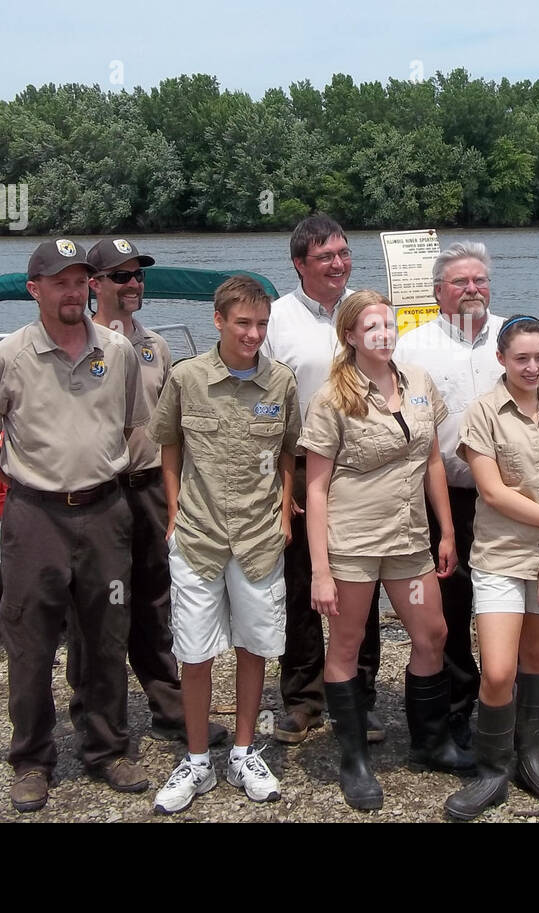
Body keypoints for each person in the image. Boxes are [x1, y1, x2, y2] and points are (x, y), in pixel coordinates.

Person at [0, 238, 149, 812]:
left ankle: (106, 748)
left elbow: (132, 426)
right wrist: (28, 478)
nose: (73, 291)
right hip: (34, 516)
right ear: (35, 288)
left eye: (81, 281)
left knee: (107, 634)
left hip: (105, 512)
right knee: (31, 641)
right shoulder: (8, 357)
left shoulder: (117, 352)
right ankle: (32, 760)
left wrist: (92, 471)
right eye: (60, 282)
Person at [300, 290, 474, 810]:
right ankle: (353, 760)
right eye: (370, 326)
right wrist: (321, 571)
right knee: (347, 648)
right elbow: (314, 488)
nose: (382, 333)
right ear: (350, 336)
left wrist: (446, 530)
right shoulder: (332, 397)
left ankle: (430, 741)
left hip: (408, 539)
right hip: (352, 543)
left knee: (433, 633)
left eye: (388, 324)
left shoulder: (417, 382)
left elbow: (434, 462)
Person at [65, 237, 226, 750]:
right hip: (99, 493)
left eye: (138, 275)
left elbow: (173, 427)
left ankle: (168, 705)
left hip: (150, 487)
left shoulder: (157, 347)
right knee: (97, 605)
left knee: (158, 600)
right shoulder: (77, 344)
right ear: (94, 284)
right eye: (120, 275)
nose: (133, 284)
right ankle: (93, 716)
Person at [148, 276, 300, 811]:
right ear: (219, 322)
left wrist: (284, 510)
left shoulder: (281, 382)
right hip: (198, 537)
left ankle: (242, 751)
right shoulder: (186, 378)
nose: (253, 334)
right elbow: (168, 444)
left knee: (254, 646)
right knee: (193, 651)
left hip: (259, 539)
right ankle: (195, 761)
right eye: (243, 323)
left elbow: (288, 452)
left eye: (261, 324)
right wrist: (173, 512)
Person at [444, 317, 539, 820]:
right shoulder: (482, 412)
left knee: (536, 663)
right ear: (502, 360)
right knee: (500, 669)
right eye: (522, 358)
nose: (532, 367)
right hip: (500, 557)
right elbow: (491, 492)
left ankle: (530, 758)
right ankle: (492, 768)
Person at [262, 217, 385, 746]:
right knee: (303, 587)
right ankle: (304, 698)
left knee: (363, 587)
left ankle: (360, 696)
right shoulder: (278, 320)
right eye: (324, 257)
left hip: (365, 471)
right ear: (298, 264)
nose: (338, 264)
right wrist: (275, 482)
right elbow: (262, 401)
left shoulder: (369, 309)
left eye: (343, 252)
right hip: (300, 467)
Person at [393, 241, 504, 746]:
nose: (471, 290)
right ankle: (458, 709)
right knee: (452, 605)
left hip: (510, 500)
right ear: (438, 292)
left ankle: (507, 706)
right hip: (445, 498)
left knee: (508, 600)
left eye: (478, 280)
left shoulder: (514, 336)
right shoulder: (411, 348)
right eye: (459, 282)